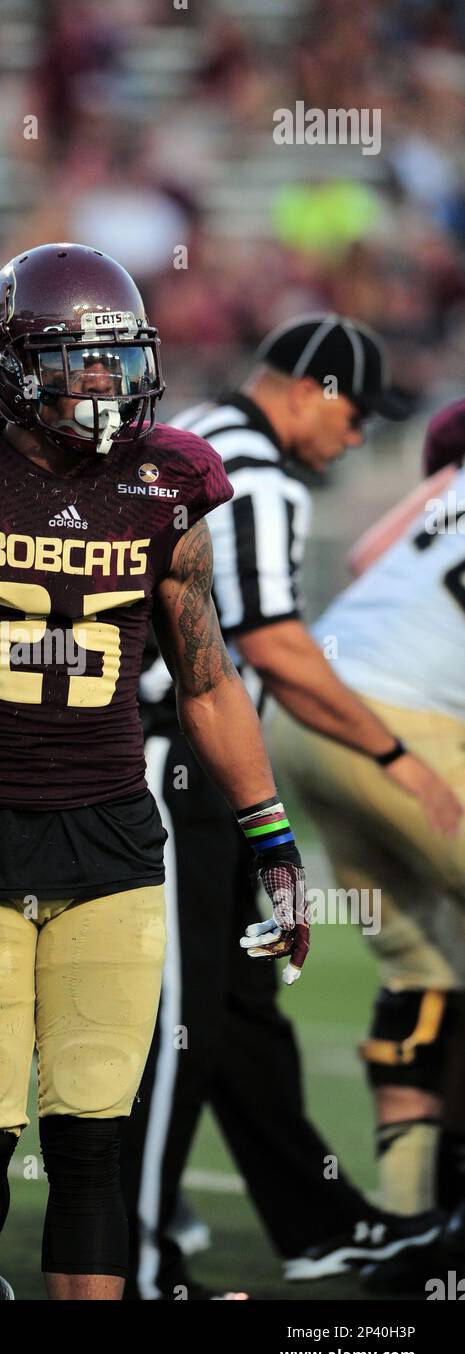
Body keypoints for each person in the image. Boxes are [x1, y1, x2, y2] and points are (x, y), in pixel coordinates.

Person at [0, 242, 311, 1302]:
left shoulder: (166, 488)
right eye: (78, 359)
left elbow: (207, 685)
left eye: (118, 358)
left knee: (90, 1136)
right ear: (14, 366)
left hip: (112, 841)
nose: (105, 381)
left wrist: (273, 840)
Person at [121, 314, 460, 1297]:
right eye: (354, 416)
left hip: (195, 757)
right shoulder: (254, 478)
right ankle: (136, 1258)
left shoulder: (195, 433)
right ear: (309, 388)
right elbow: (271, 644)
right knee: (181, 1016)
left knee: (239, 1007)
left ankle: (317, 1221)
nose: (355, 440)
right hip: (175, 755)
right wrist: (393, 754)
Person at [272, 398, 465, 1282]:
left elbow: (362, 555)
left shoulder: (446, 489)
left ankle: (407, 1221)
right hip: (399, 725)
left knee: (421, 972)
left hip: (310, 709)